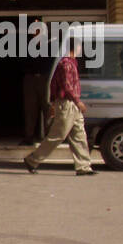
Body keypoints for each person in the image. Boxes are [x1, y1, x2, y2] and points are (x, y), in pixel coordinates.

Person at [24, 35, 95, 175]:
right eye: (80, 47)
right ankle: (32, 160)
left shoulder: (71, 63)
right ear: (75, 47)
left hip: (72, 105)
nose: (81, 50)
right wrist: (78, 101)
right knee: (58, 135)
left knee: (79, 135)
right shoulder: (66, 64)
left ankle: (84, 166)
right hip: (68, 104)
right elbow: (67, 86)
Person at [19, 17, 52, 145]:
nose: (36, 32)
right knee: (30, 109)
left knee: (47, 108)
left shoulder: (49, 45)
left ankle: (49, 138)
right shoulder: (26, 46)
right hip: (30, 79)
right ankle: (29, 137)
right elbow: (22, 63)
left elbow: (51, 63)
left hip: (45, 79)